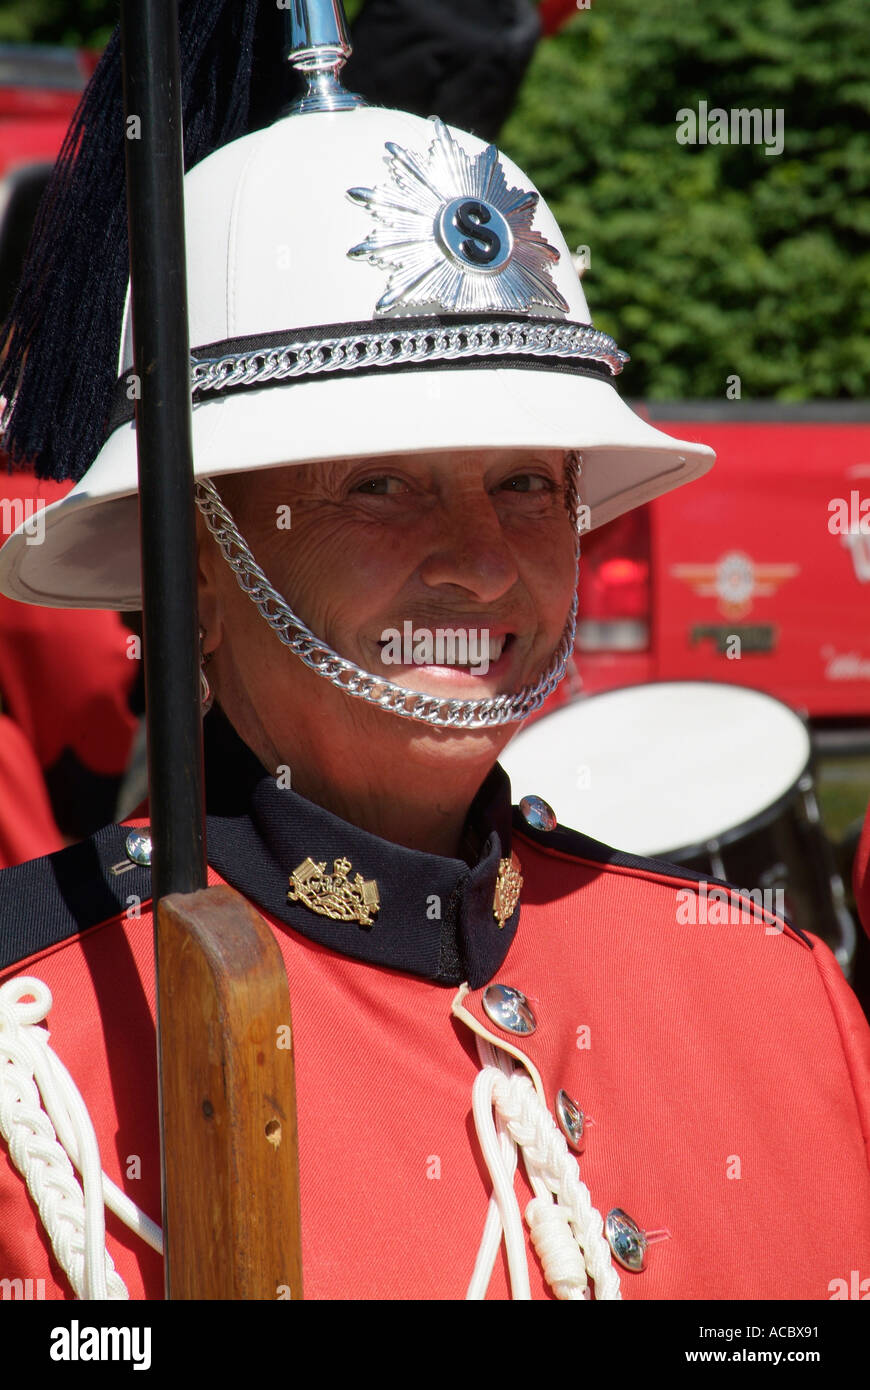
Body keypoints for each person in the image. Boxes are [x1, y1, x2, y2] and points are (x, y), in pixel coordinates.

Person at [0, 11, 868, 1303]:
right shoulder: (35, 1042)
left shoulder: (776, 984)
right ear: (195, 565)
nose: (479, 559)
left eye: (524, 482)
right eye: (380, 484)